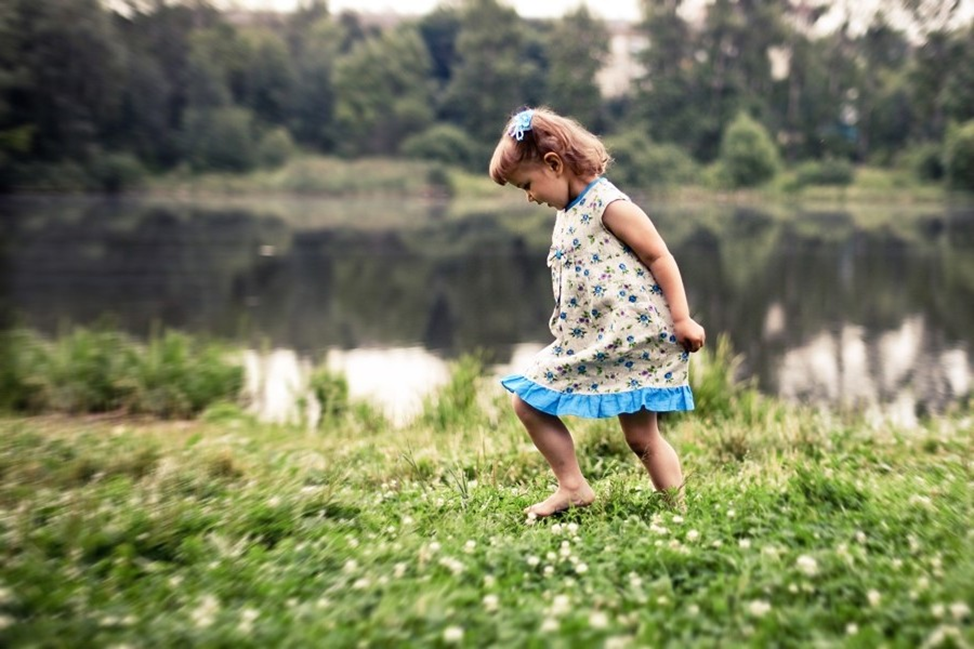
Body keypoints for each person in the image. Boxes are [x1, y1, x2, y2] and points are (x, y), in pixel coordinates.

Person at [489, 107, 706, 518]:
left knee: (643, 438)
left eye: (528, 185)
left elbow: (659, 256)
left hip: (634, 339)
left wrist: (682, 318)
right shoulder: (566, 211)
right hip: (593, 341)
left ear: (554, 164)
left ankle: (679, 511)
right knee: (527, 401)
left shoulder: (609, 203)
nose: (530, 196)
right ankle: (572, 486)